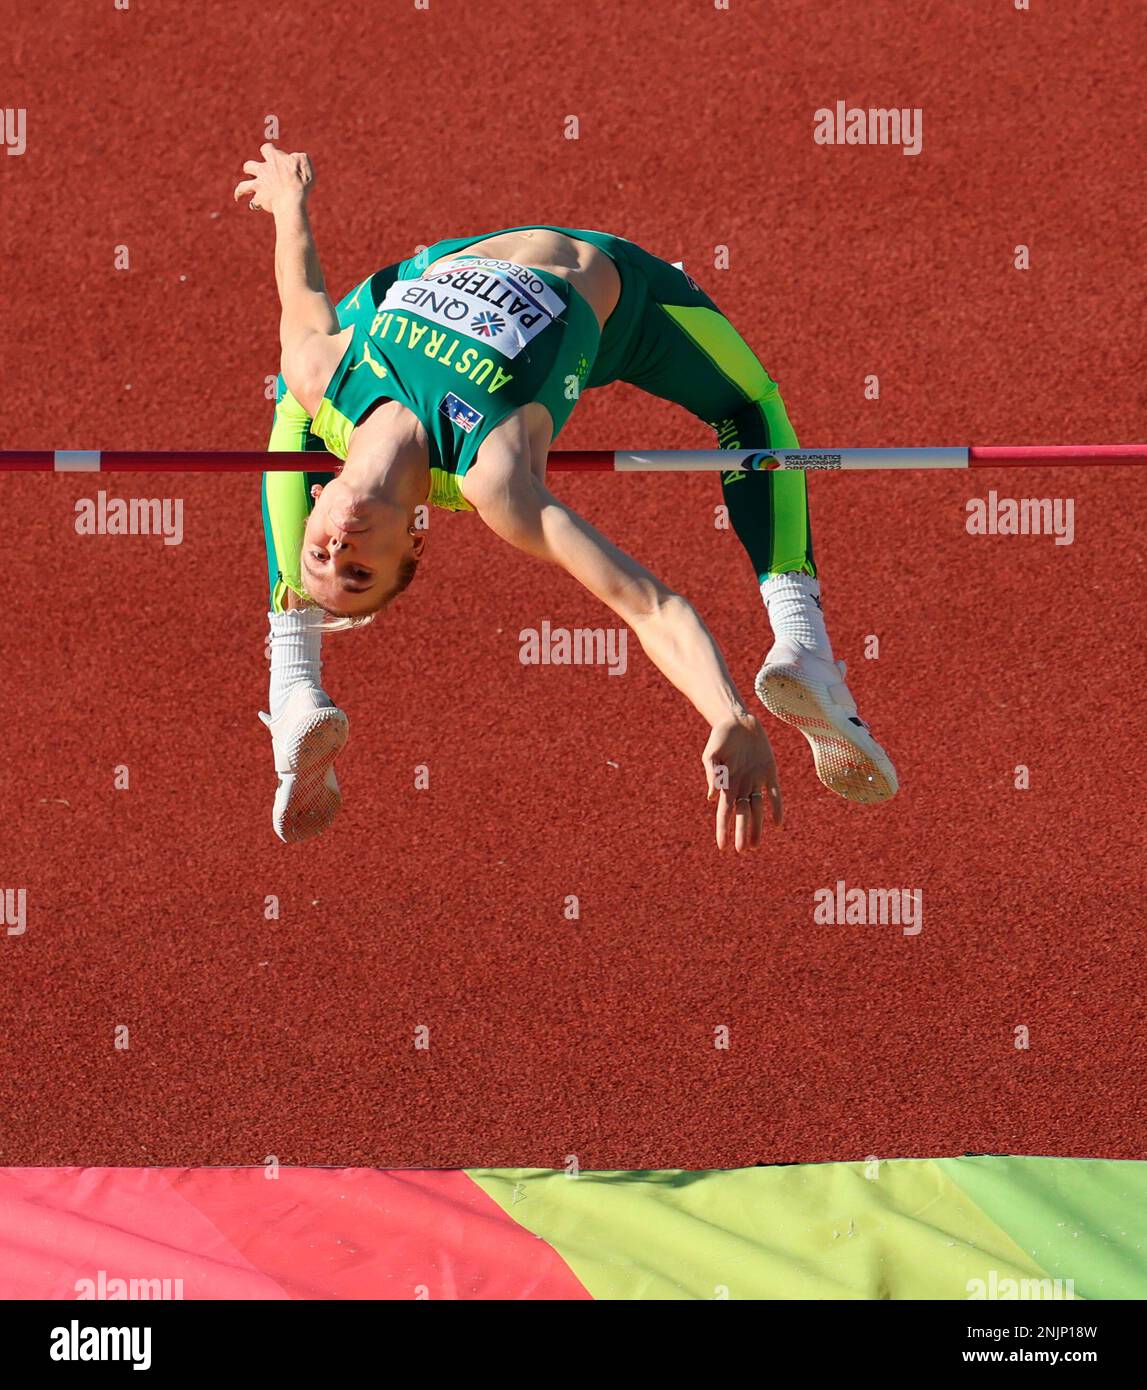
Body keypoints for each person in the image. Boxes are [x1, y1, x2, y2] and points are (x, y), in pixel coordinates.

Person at [235, 144, 897, 852]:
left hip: (440, 267)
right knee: (751, 409)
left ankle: (293, 679)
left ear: (320, 496)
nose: (337, 551)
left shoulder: (324, 371)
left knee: (291, 398)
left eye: (318, 554)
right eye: (359, 573)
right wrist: (727, 714)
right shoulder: (494, 478)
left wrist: (286, 201)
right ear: (414, 539)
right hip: (618, 302)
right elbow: (650, 605)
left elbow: (300, 283)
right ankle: (803, 642)